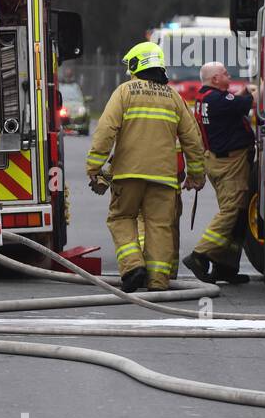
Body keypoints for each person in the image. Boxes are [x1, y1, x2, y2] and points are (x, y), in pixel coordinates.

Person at [86, 41, 205, 292]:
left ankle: (132, 267)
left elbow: (105, 132)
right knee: (160, 226)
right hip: (164, 177)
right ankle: (158, 281)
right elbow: (193, 140)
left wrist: (94, 167)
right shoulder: (174, 97)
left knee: (121, 217)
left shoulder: (124, 92)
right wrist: (196, 173)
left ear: (136, 65)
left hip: (127, 175)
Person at [183, 61, 255, 284]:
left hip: (222, 162)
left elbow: (232, 102)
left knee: (239, 217)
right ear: (215, 79)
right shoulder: (217, 100)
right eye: (225, 74)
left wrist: (243, 94)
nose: (229, 77)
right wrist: (256, 91)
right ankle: (199, 256)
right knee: (231, 212)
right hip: (229, 164)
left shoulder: (206, 98)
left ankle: (226, 265)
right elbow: (243, 104)